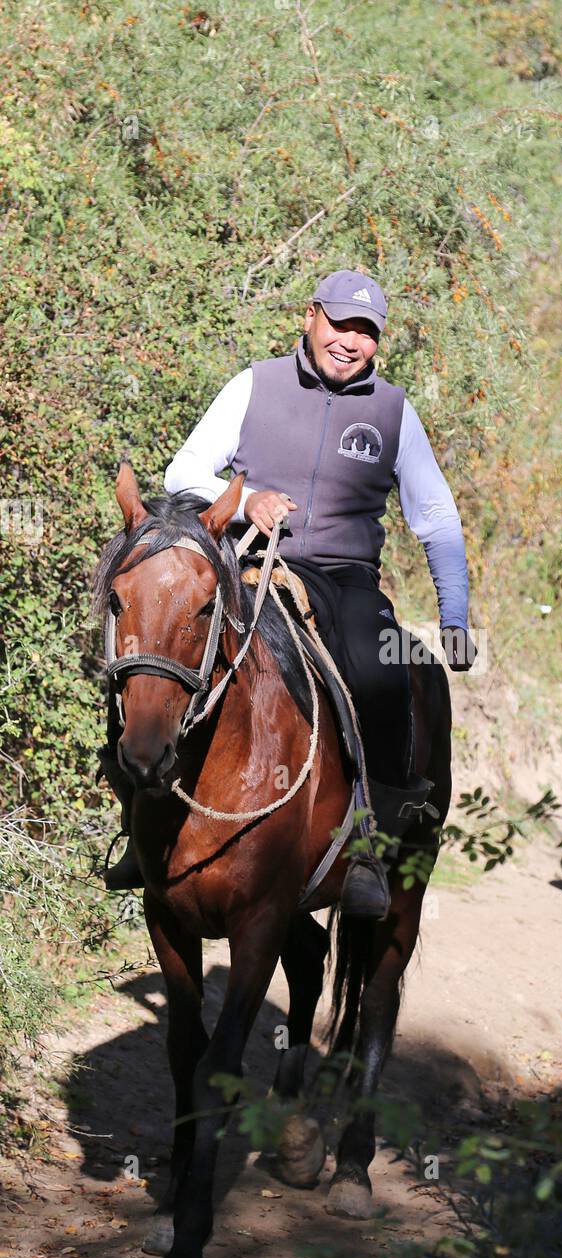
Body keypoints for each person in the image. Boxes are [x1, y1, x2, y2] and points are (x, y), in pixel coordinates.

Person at [102, 270, 475, 917]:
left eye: (365, 331)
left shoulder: (393, 412)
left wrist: (455, 613)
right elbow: (185, 469)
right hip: (246, 569)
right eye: (340, 323)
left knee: (383, 674)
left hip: (345, 578)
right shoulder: (256, 384)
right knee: (159, 655)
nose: (350, 340)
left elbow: (436, 515)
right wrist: (249, 500)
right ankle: (142, 819)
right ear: (310, 318)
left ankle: (366, 847)